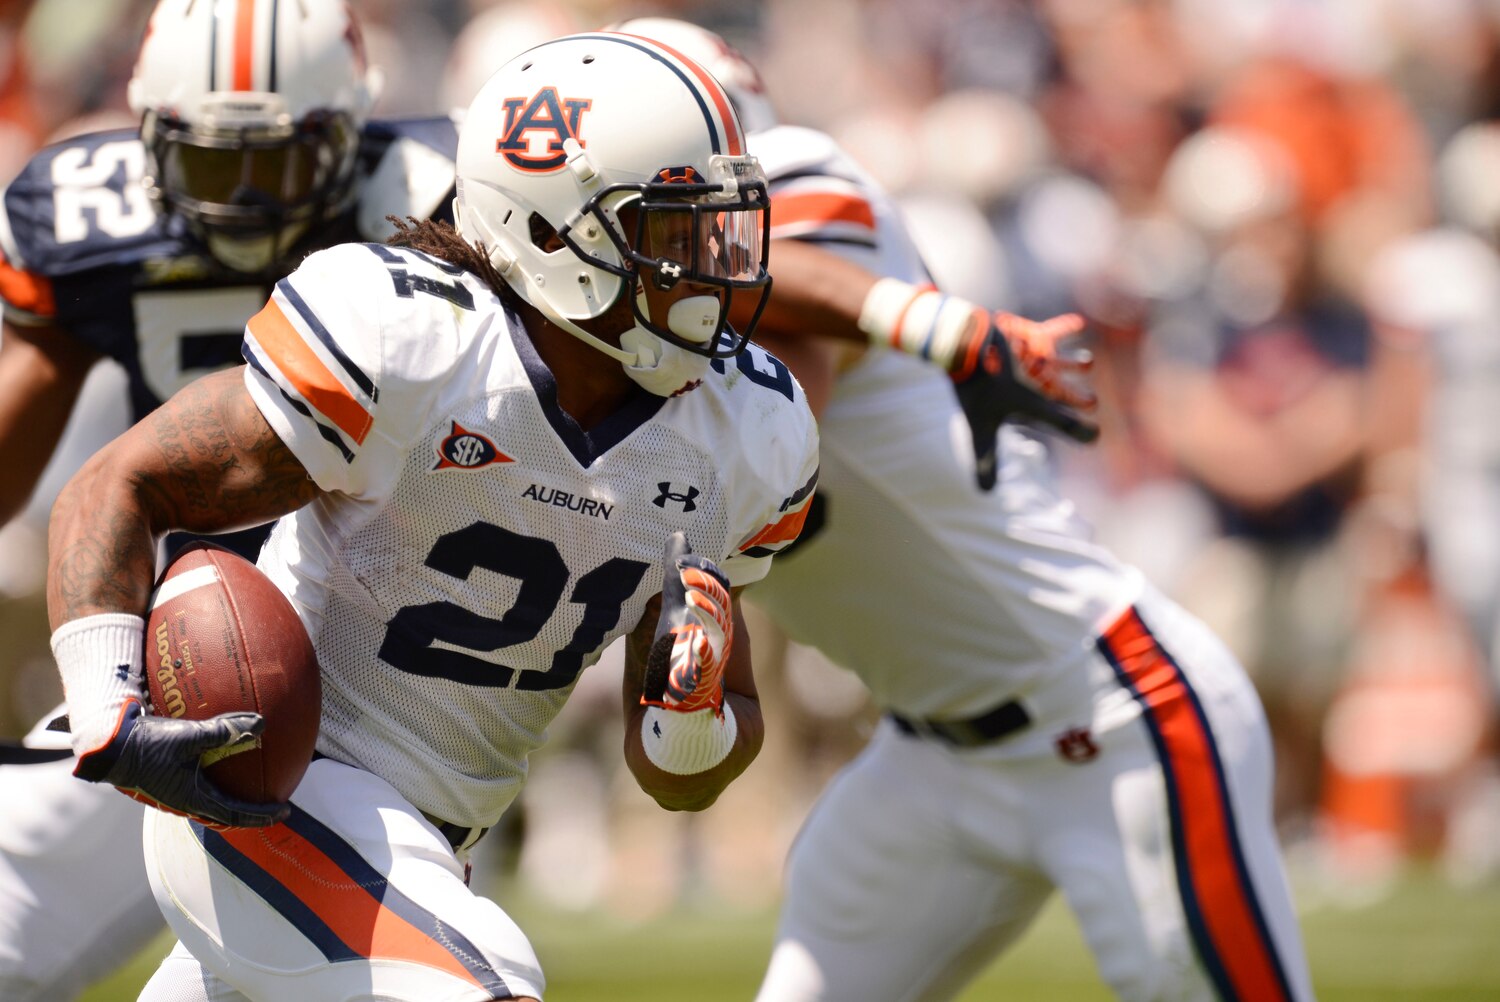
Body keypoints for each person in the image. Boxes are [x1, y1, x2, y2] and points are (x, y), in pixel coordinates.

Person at [46, 29, 818, 1002]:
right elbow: (122, 482)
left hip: (421, 851)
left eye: (717, 230)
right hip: (274, 792)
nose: (710, 268)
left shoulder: (743, 430)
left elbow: (679, 779)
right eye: (669, 234)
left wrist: (693, 714)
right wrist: (109, 710)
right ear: (550, 232)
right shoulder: (415, 338)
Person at [614, 18, 1314, 1001]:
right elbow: (684, 771)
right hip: (927, 749)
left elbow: (780, 365)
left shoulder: (797, 181)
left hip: (1114, 711)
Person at [0, 1, 459, 997]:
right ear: (151, 140)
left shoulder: (443, 208)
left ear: (347, 140)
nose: (248, 199)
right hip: (181, 649)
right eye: (215, 165)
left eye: (282, 164)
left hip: (376, 679)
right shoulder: (88, 222)